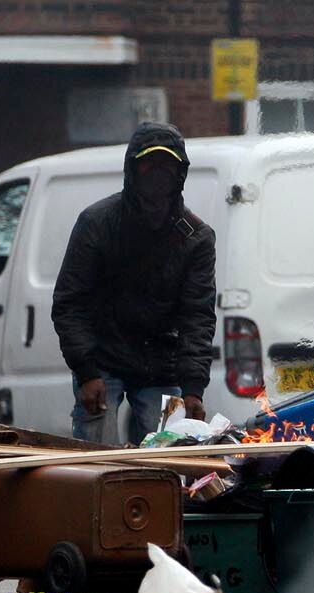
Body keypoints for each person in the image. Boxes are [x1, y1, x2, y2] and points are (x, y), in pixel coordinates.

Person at [52, 122, 217, 445]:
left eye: (166, 164)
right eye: (148, 163)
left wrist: (194, 388)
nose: (157, 173)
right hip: (102, 360)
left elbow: (197, 317)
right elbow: (70, 303)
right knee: (94, 462)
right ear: (132, 169)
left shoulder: (196, 238)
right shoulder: (96, 224)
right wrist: (87, 372)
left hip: (161, 364)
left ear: (180, 173)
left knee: (169, 462)